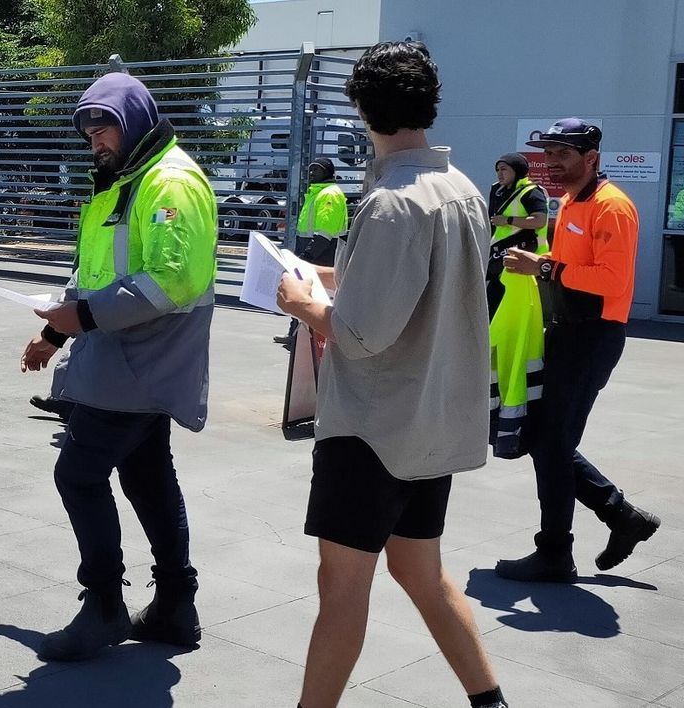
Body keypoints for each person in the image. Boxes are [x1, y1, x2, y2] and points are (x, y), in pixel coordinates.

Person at [275, 42, 507, 708]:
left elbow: (357, 333)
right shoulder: (461, 191)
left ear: (361, 108)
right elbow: (417, 291)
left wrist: (301, 301)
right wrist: (327, 279)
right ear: (429, 102)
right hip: (432, 424)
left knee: (342, 589)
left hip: (373, 430)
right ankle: (489, 699)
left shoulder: (391, 201)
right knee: (421, 572)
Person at [24, 72, 217, 662]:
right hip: (127, 361)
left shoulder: (169, 182)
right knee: (148, 479)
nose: (95, 142)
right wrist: (54, 332)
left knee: (78, 476)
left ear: (133, 121)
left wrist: (78, 317)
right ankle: (175, 608)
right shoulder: (127, 181)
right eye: (87, 132)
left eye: (103, 127)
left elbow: (173, 279)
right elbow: (97, 273)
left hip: (138, 364)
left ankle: (104, 604)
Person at [496, 119, 661, 582]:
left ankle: (557, 552)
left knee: (551, 444)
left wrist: (544, 268)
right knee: (545, 441)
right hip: (564, 332)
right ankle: (621, 517)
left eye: (563, 156)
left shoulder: (612, 208)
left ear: (591, 158)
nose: (553, 166)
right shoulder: (569, 201)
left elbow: (612, 281)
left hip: (593, 337)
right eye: (548, 156)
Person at [485, 153, 548, 459]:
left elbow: (540, 221)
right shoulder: (496, 191)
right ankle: (492, 410)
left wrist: (508, 220)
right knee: (493, 341)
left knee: (509, 339)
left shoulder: (531, 191)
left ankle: (514, 415)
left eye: (504, 169)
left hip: (520, 273)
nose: (500, 173)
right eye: (498, 169)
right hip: (496, 268)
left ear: (518, 171)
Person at [274, 158, 349, 345]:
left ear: (328, 173)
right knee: (303, 289)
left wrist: (306, 256)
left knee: (316, 294)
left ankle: (311, 339)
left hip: (322, 253)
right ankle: (296, 335)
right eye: (310, 169)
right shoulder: (316, 193)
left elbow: (325, 232)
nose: (312, 173)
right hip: (312, 249)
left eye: (317, 170)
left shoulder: (329, 194)